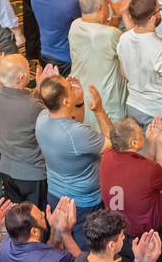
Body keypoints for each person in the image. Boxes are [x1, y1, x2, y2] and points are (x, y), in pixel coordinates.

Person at [117, 0, 162, 165]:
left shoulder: (123, 38)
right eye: (159, 9)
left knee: (143, 158)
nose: (160, 12)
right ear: (153, 18)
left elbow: (124, 73)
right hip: (161, 112)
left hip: (134, 106)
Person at [36, 75, 108, 218]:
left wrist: (79, 102)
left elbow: (73, 125)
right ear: (66, 101)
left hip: (55, 194)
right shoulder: (77, 134)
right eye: (69, 88)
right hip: (82, 204)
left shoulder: (42, 117)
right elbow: (113, 143)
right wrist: (99, 110)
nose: (72, 88)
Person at [99, 117, 162, 248]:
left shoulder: (107, 156)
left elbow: (144, 170)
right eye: (141, 134)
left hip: (118, 233)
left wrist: (149, 143)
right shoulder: (149, 170)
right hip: (146, 237)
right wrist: (159, 145)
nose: (143, 135)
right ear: (134, 143)